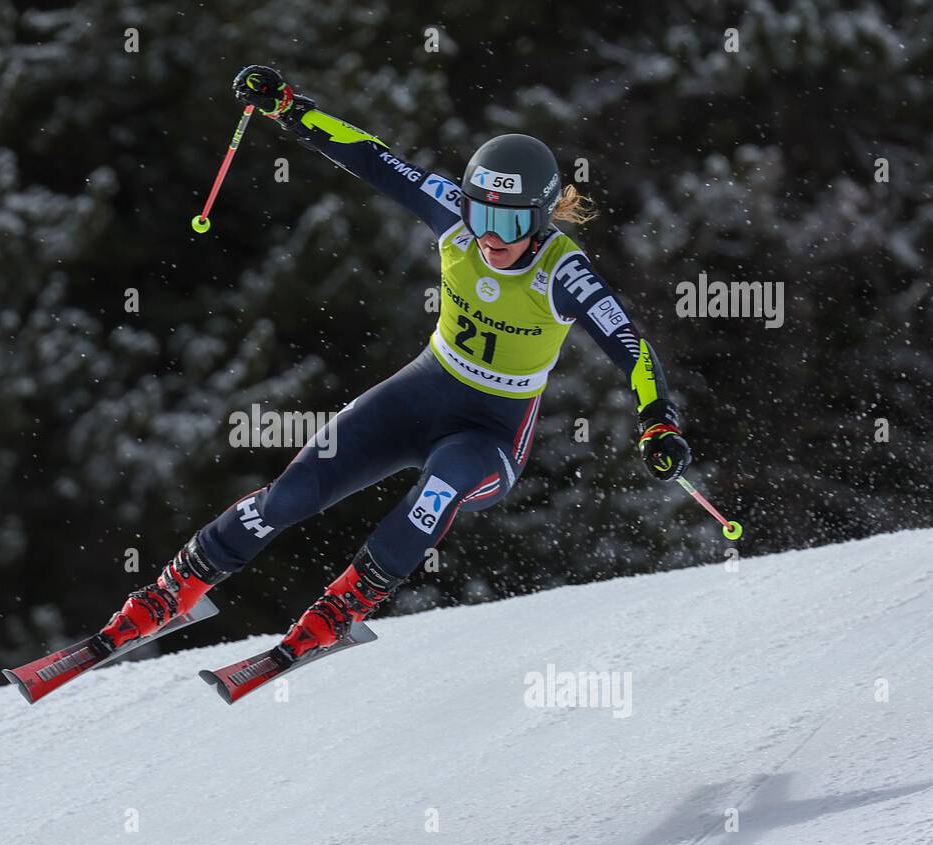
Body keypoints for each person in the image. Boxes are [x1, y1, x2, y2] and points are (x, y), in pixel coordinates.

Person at [93, 65, 691, 664]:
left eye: (508, 223)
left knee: (435, 491)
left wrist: (657, 420)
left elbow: (630, 346)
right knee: (292, 494)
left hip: (488, 437)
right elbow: (372, 157)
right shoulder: (453, 214)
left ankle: (341, 608)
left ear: (539, 218)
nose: (489, 236)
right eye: (481, 215)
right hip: (420, 393)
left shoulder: (562, 271)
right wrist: (288, 108)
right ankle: (179, 586)